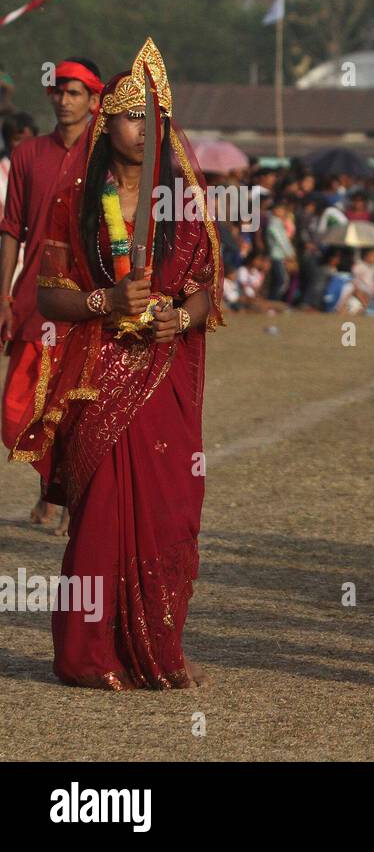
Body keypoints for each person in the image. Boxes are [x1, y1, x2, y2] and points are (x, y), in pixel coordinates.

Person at [9, 38, 224, 689]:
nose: (142, 130)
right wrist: (104, 299)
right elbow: (48, 293)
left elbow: (205, 293)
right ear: (108, 121)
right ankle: (86, 656)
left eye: (152, 118)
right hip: (96, 373)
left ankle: (154, 653)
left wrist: (177, 318)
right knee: (100, 516)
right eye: (130, 117)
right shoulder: (76, 197)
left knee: (171, 511)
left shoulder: (183, 200)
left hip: (163, 377)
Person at [2, 57, 103, 532]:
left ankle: (63, 497)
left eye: (75, 92)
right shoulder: (27, 156)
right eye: (59, 91)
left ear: (94, 99)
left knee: (72, 406)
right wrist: (2, 295)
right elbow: (10, 231)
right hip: (30, 300)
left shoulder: (103, 156)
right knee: (17, 412)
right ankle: (54, 488)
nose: (64, 100)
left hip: (84, 302)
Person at [1, 112, 38, 218]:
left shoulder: (45, 170)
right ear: (8, 141)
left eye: (28, 140)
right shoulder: (1, 172)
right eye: (17, 139)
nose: (24, 146)